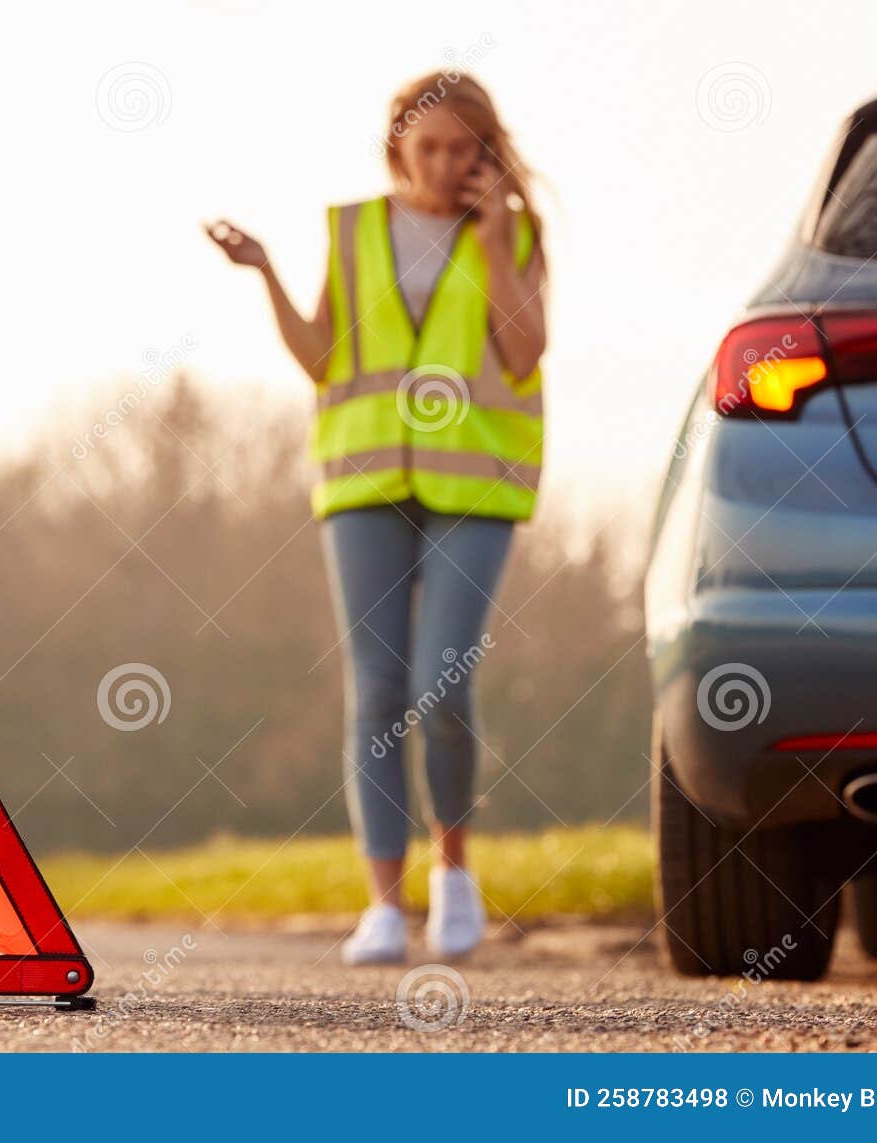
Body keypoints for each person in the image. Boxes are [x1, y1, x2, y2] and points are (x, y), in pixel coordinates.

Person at [205, 71, 548, 963]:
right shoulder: (354, 230)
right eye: (426, 146)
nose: (441, 163)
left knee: (444, 683)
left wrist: (497, 237)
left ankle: (455, 875)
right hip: (363, 481)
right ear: (398, 145)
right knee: (379, 693)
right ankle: (384, 907)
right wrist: (267, 273)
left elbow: (524, 352)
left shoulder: (513, 233)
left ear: (485, 153)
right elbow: (323, 359)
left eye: (461, 149)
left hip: (476, 483)